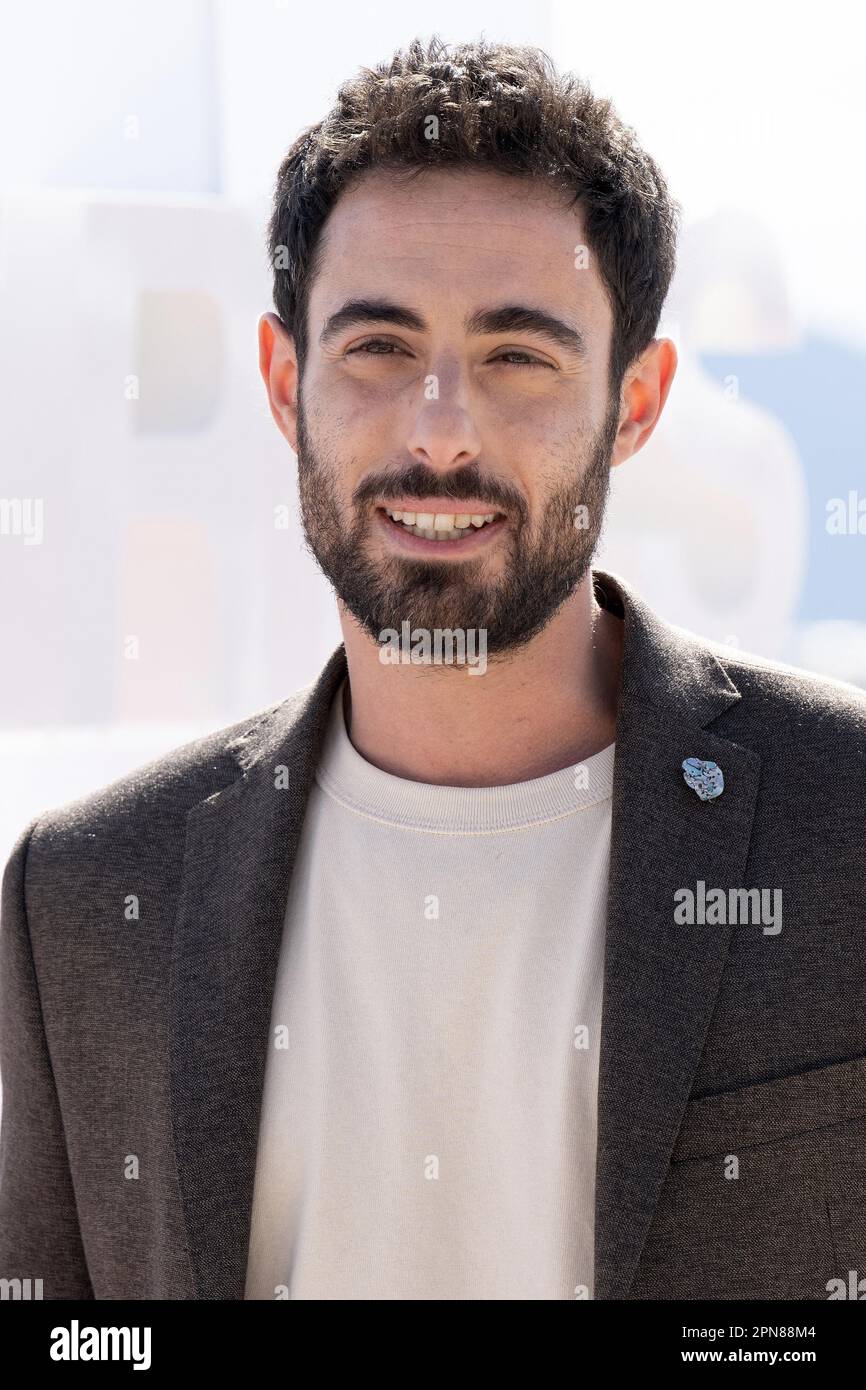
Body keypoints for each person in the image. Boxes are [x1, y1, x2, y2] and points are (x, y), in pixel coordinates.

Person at [1, 36, 864, 1303]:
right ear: (285, 382)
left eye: (518, 356)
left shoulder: (843, 821)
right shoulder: (83, 900)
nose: (440, 430)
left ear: (633, 401)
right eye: (377, 348)